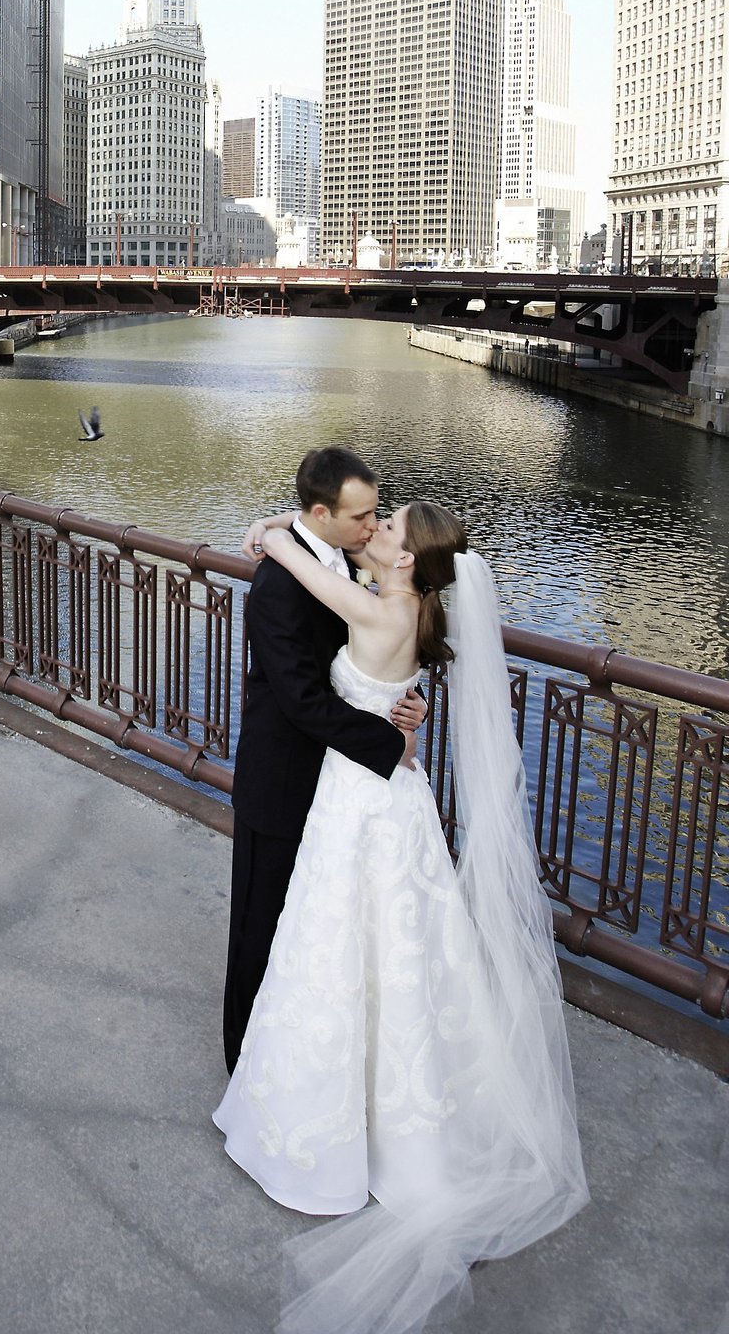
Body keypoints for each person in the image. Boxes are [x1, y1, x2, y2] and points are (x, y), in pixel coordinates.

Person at [214, 503, 588, 1334]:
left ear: (411, 563)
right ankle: (403, 1103)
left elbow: (305, 565)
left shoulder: (378, 603)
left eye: (389, 530)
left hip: (356, 802)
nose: (375, 532)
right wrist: (404, 722)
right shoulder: (410, 607)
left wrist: (269, 533)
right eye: (373, 522)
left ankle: (337, 1120)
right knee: (407, 952)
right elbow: (384, 675)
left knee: (339, 943)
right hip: (398, 793)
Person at [222, 447, 427, 1074]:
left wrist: (405, 701)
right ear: (322, 512)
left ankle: (304, 1058)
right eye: (363, 516)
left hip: (337, 785)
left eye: (376, 515)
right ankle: (244, 1065)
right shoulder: (278, 587)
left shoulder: (345, 558)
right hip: (283, 780)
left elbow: (381, 648)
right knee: (262, 928)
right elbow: (303, 702)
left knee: (314, 929)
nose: (373, 526)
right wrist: (391, 745)